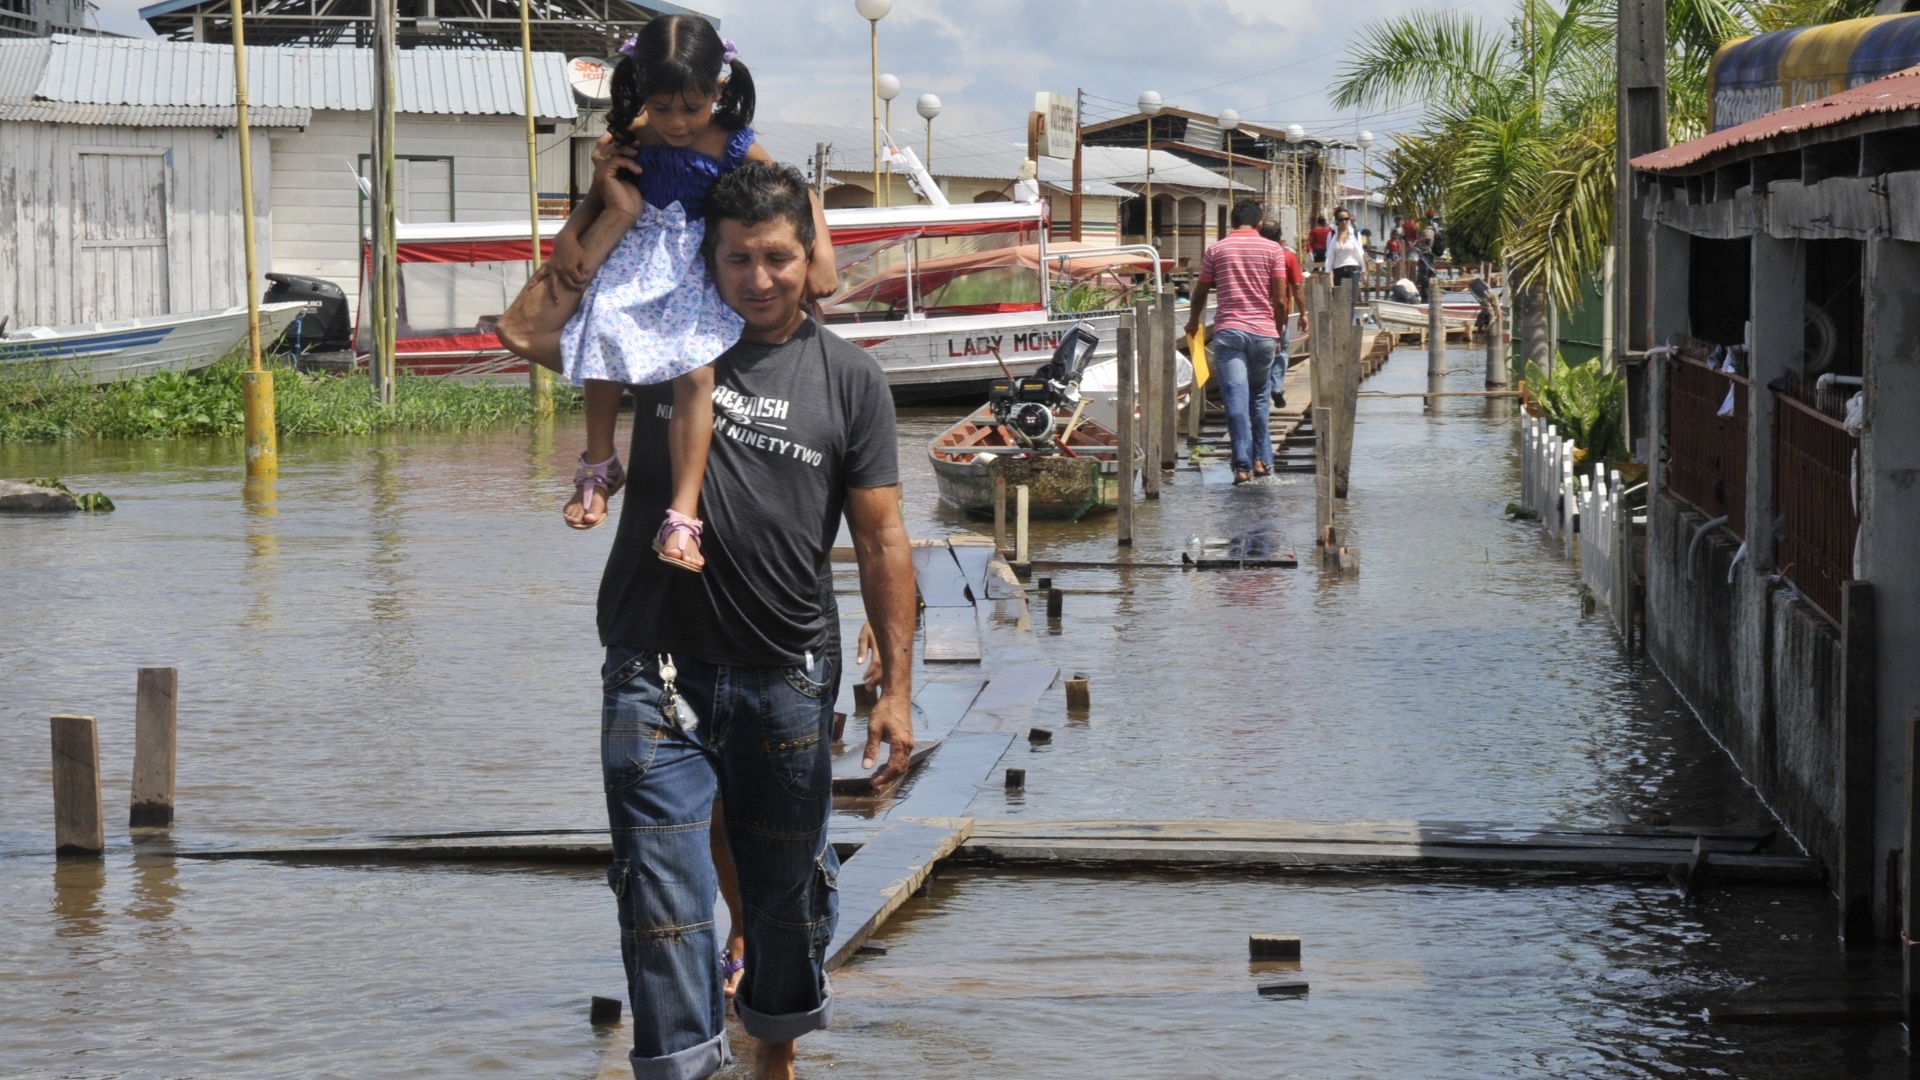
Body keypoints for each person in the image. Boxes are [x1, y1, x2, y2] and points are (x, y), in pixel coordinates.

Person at [597, 160, 916, 1080]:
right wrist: (607, 207)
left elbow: (885, 539)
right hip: (654, 668)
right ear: (710, 256)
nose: (758, 279)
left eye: (778, 257)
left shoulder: (851, 379)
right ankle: (684, 1068)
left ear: (808, 255)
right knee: (663, 893)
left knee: (783, 900)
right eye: (737, 258)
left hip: (786, 674)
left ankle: (771, 1052)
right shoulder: (658, 341)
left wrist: (894, 690)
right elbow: (531, 329)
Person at [531, 16, 837, 557]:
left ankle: (682, 511)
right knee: (599, 329)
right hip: (634, 257)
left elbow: (797, 192)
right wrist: (568, 238)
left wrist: (820, 254)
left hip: (697, 262)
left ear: (718, 89)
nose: (676, 123)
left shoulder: (734, 143)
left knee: (696, 373)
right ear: (641, 88)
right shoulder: (627, 138)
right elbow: (602, 196)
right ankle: (600, 463)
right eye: (663, 106)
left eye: (691, 108)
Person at [1185, 199, 1291, 485]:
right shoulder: (1274, 250)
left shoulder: (1216, 250)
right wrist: (1279, 332)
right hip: (1264, 333)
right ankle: (1262, 461)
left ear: (1231, 223)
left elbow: (1200, 293)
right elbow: (1280, 300)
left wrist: (1194, 321)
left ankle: (1242, 467)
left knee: (1235, 400)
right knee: (1259, 396)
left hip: (1229, 333)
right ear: (1259, 224)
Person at [1256, 220, 1307, 408]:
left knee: (1259, 355)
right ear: (1280, 237)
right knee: (1281, 352)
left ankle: (1261, 389)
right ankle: (1276, 387)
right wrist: (1303, 313)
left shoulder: (1255, 255)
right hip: (1279, 314)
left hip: (1256, 314)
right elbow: (1297, 287)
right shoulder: (1287, 257)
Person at [1326, 208, 1367, 292]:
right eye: (1341, 219)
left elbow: (1360, 253)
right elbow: (1329, 256)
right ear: (1337, 220)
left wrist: (1364, 271)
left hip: (1353, 267)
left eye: (1346, 219)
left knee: (1350, 299)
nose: (1344, 222)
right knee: (1339, 298)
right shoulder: (1331, 235)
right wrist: (1328, 272)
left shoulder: (1355, 234)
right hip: (1338, 269)